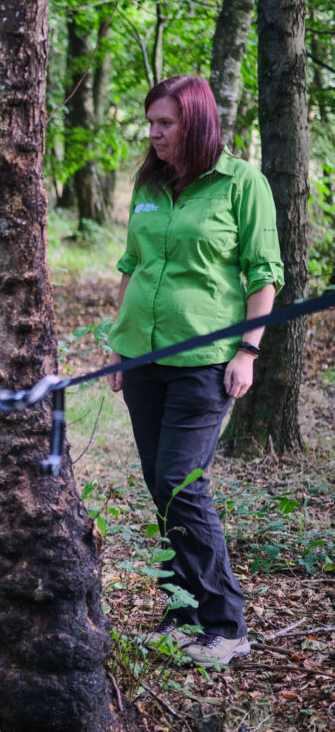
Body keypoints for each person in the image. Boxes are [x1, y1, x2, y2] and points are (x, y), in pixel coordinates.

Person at [106, 75, 283, 667]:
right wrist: (116, 343)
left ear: (197, 123)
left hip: (205, 364)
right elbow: (131, 263)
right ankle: (179, 615)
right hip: (142, 359)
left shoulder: (242, 183)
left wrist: (247, 352)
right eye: (150, 123)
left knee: (183, 484)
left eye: (166, 124)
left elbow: (264, 275)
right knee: (162, 489)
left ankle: (225, 623)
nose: (153, 134)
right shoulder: (150, 183)